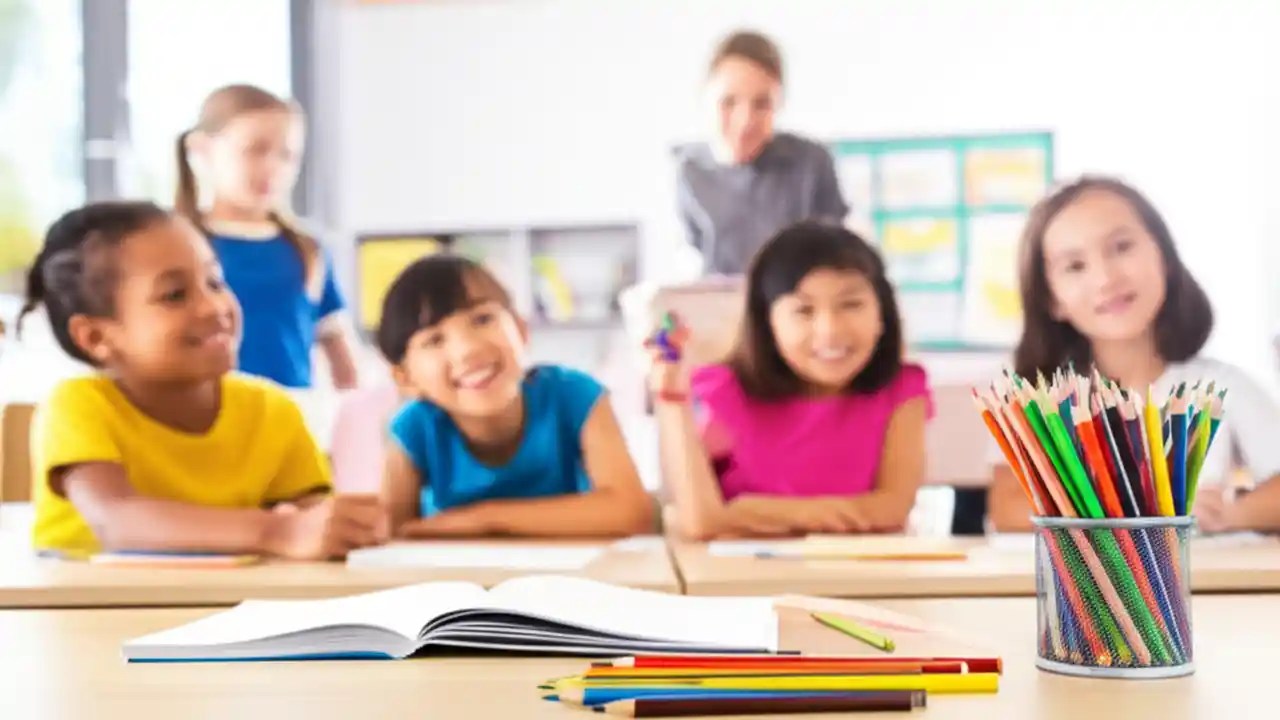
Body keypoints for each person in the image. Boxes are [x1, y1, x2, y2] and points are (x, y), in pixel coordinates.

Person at [18, 201, 386, 557]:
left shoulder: (273, 412)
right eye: (174, 295)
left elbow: (313, 523)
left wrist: (348, 526)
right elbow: (116, 520)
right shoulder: (78, 406)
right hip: (83, 613)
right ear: (96, 338)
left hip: (227, 612)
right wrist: (276, 531)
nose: (214, 306)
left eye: (214, 281)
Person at [987, 175, 1280, 532]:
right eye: (1075, 266)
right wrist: (1126, 511)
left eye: (1122, 247)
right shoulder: (1038, 398)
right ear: (1051, 300)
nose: (1106, 278)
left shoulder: (1220, 386)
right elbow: (1007, 507)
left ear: (1165, 258)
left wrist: (1229, 515)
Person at [652, 222, 931, 540]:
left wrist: (748, 511)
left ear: (882, 314)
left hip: (858, 581)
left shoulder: (902, 390)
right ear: (767, 323)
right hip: (742, 581)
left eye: (851, 305)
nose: (829, 330)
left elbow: (891, 510)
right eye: (803, 311)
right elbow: (700, 523)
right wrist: (671, 399)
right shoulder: (725, 394)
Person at [377, 255, 655, 537]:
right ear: (405, 377)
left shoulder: (575, 395)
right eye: (434, 339)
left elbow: (631, 512)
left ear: (521, 330)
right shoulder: (412, 428)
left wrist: (484, 519)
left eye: (483, 319)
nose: (468, 350)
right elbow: (389, 535)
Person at [175, 84, 358, 389]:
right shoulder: (180, 244)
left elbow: (343, 362)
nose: (273, 167)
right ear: (202, 149)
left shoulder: (307, 250)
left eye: (287, 156)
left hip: (291, 420)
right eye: (255, 150)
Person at [676, 30, 849, 275]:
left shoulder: (811, 163)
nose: (745, 121)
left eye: (762, 104)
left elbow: (838, 255)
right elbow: (692, 262)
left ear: (779, 104)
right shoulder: (690, 171)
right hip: (722, 307)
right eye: (728, 102)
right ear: (705, 98)